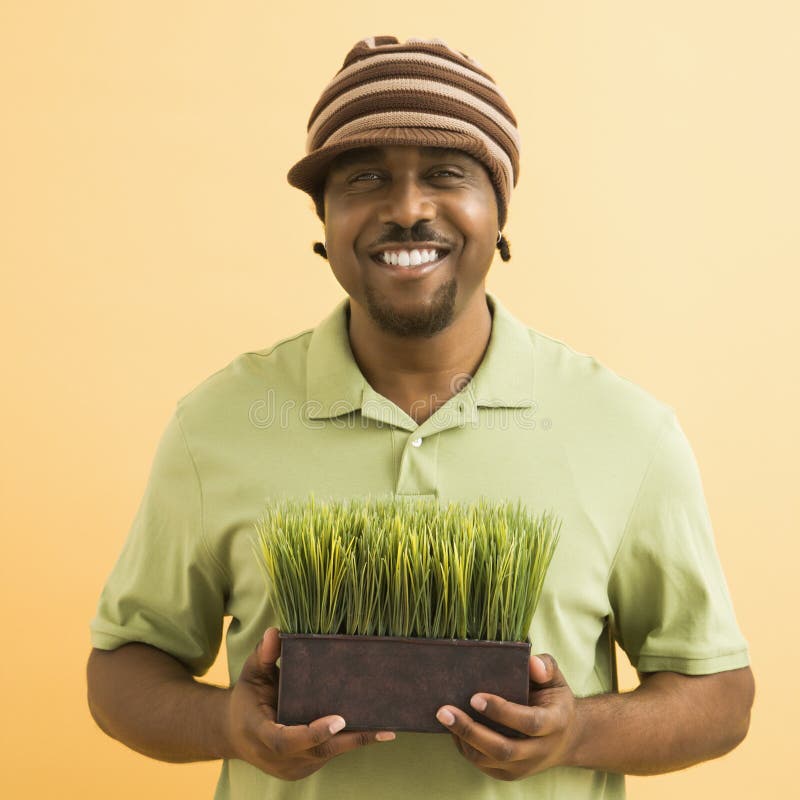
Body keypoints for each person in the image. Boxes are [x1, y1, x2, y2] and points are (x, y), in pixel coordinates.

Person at [86, 35, 754, 799]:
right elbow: (121, 671)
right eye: (366, 178)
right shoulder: (217, 424)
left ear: (498, 208)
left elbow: (720, 698)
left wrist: (578, 733)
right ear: (325, 221)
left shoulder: (628, 431)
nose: (406, 209)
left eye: (446, 174)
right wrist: (224, 726)